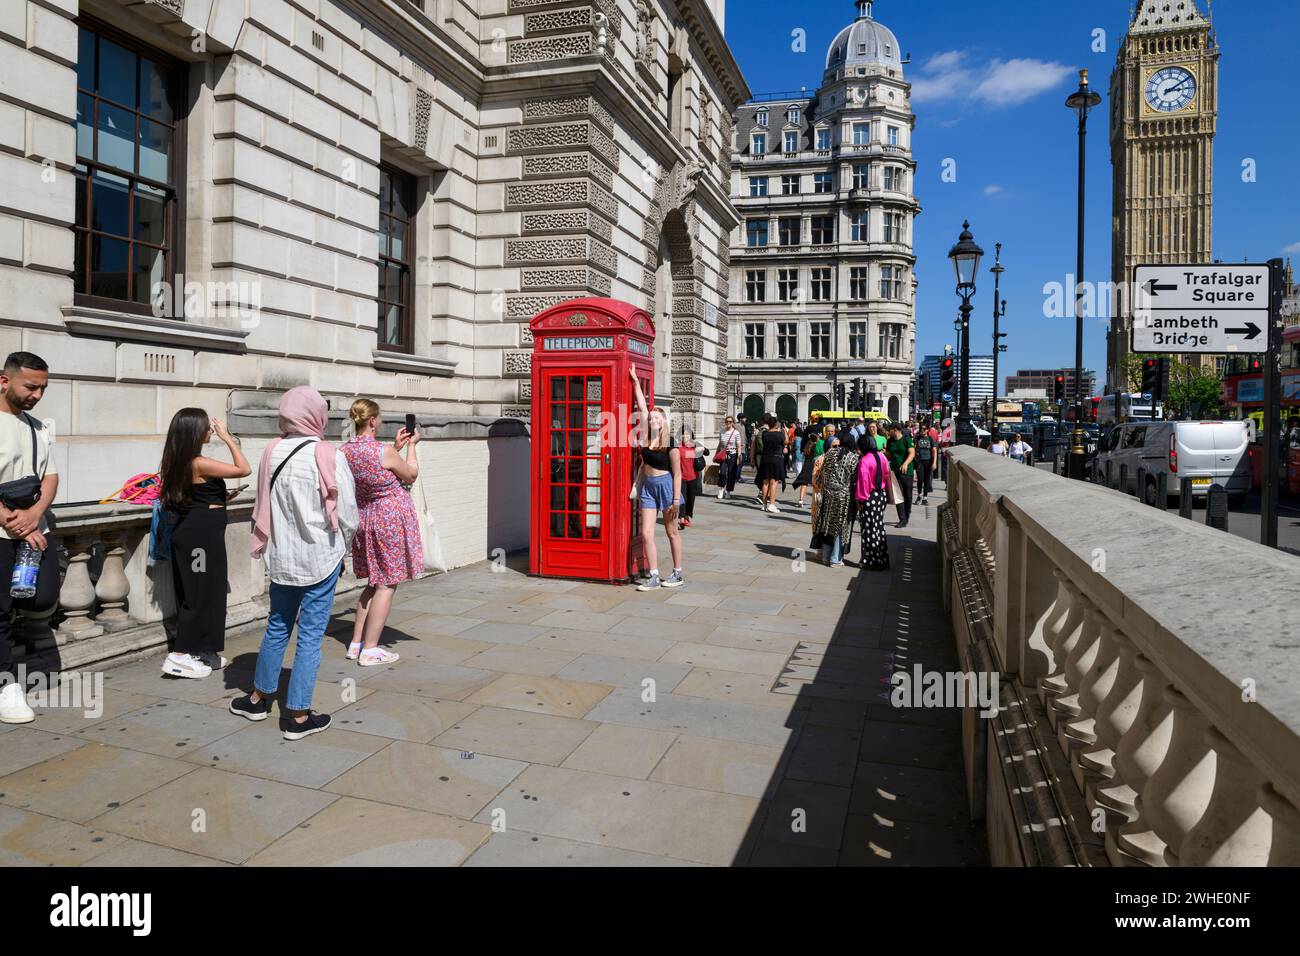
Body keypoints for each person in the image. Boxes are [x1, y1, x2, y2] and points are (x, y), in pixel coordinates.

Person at [230, 386, 358, 740]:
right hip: (320, 558)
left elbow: (264, 505)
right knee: (311, 637)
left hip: (282, 557)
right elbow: (348, 514)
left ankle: (258, 699)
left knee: (277, 627)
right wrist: (341, 549)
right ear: (315, 414)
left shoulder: (271, 451)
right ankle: (298, 716)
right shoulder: (328, 454)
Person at [158, 409, 251, 679]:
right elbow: (244, 469)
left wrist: (220, 496)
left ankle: (202, 650)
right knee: (199, 593)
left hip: (198, 531)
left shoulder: (179, 461)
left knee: (207, 590)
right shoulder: (198, 462)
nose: (210, 431)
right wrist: (228, 438)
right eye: (206, 428)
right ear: (194, 432)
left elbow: (196, 494)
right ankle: (179, 654)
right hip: (199, 537)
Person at [0, 352, 59, 724]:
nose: (37, 394)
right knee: (0, 610)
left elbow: (50, 476)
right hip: (3, 531)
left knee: (44, 594)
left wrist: (34, 515)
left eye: (42, 388)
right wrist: (7, 519)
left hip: (33, 531)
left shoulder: (37, 426)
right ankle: (6, 684)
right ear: (4, 381)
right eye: (31, 386)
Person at [342, 399, 423, 667]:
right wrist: (411, 447)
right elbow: (410, 475)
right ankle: (372, 649)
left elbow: (377, 470)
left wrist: (396, 448)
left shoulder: (344, 450)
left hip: (365, 518)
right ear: (373, 421)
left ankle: (356, 644)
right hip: (389, 519)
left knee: (373, 582)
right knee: (387, 583)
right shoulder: (383, 450)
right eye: (381, 419)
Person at [629, 368, 684, 590]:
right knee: (646, 533)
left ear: (663, 421)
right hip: (648, 488)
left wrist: (677, 500)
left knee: (671, 532)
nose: (652, 420)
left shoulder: (671, 443)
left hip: (667, 487)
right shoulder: (645, 437)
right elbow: (642, 406)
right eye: (651, 418)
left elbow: (678, 473)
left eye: (656, 418)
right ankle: (653, 575)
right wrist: (635, 382)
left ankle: (678, 573)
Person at [810, 435, 859, 568]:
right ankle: (835, 559)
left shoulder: (830, 453)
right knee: (840, 528)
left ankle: (825, 557)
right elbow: (855, 478)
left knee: (828, 526)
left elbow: (824, 471)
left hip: (828, 494)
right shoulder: (852, 457)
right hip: (843, 497)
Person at [855, 433, 890, 571]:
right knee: (879, 527)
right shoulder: (882, 456)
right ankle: (882, 558)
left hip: (869, 496)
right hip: (881, 495)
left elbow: (863, 482)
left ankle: (870, 560)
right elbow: (887, 473)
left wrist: (859, 500)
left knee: (869, 530)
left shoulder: (864, 461)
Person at [886, 422, 916, 529]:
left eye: (889, 429)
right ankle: (902, 519)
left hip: (907, 471)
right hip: (895, 471)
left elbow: (912, 453)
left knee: (908, 495)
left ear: (895, 429)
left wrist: (905, 463)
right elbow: (889, 455)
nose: (888, 432)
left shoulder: (906, 439)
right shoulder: (889, 441)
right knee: (898, 496)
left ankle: (907, 515)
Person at [757, 414, 786, 513]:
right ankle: (772, 504)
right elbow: (786, 441)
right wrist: (784, 430)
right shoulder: (780, 434)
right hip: (776, 458)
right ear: (776, 424)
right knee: (773, 483)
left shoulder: (765, 434)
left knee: (765, 482)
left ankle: (764, 504)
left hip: (765, 458)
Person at [679, 425, 704, 528]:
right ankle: (681, 518)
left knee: (690, 499)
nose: (685, 436)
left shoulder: (694, 445)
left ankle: (687, 516)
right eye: (683, 434)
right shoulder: (678, 447)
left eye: (687, 434)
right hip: (681, 477)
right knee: (682, 498)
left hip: (693, 476)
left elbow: (706, 452)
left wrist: (701, 449)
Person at [715, 415, 743, 499]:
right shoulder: (722, 432)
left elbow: (738, 446)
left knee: (731, 474)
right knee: (722, 473)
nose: (728, 423)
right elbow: (720, 443)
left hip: (733, 455)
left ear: (733, 423)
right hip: (723, 454)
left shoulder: (736, 433)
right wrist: (716, 453)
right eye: (727, 421)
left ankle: (728, 491)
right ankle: (721, 489)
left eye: (730, 422)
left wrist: (738, 457)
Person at [792, 428, 818, 508]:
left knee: (804, 483)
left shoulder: (807, 445)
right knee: (815, 484)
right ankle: (815, 501)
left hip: (806, 464)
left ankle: (800, 500)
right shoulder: (815, 446)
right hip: (813, 464)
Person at [913, 422, 935, 506]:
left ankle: (925, 498)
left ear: (928, 430)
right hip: (919, 461)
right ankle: (919, 495)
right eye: (921, 428)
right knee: (920, 479)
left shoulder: (930, 439)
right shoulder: (917, 438)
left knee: (926, 480)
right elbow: (913, 449)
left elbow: (934, 451)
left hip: (928, 461)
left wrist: (934, 463)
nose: (922, 430)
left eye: (924, 429)